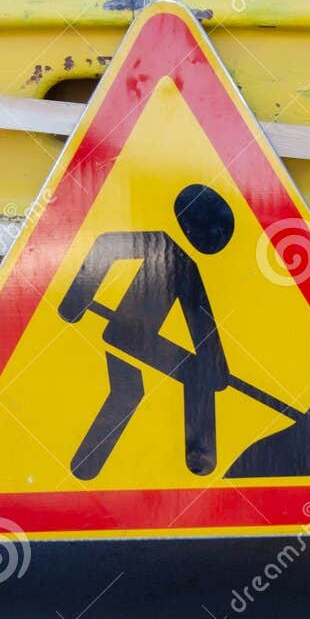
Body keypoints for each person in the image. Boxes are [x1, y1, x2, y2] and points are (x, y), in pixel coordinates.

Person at [57, 183, 235, 480]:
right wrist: (74, 302)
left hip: (138, 339)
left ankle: (197, 459)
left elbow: (202, 327)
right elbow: (105, 248)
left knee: (132, 391)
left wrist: (217, 369)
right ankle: (199, 459)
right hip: (127, 335)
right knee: (171, 383)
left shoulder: (187, 267)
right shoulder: (157, 243)